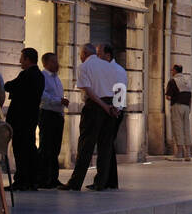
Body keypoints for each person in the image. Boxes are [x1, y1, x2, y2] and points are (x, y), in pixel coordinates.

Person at [61, 44, 115, 191]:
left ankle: (75, 182)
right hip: (110, 105)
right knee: (105, 146)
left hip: (94, 107)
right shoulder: (108, 66)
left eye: (80, 53)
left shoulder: (84, 67)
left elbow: (89, 91)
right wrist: (113, 106)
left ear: (84, 53)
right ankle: (101, 183)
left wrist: (103, 106)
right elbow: (116, 87)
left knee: (85, 146)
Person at [3, 48, 45, 190]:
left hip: (21, 119)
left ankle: (22, 180)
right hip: (31, 118)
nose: (20, 61)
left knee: (21, 149)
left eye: (22, 58)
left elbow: (9, 86)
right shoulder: (39, 75)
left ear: (27, 59)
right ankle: (32, 179)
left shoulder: (26, 74)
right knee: (29, 148)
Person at [92, 44, 128, 190]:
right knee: (107, 147)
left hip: (113, 111)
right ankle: (109, 180)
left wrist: (116, 109)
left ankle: (105, 180)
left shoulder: (116, 70)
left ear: (107, 55)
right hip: (109, 110)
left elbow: (120, 89)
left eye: (99, 54)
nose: (96, 57)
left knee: (106, 146)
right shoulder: (107, 69)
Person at [38, 53, 68, 186]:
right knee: (46, 147)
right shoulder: (43, 77)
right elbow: (43, 96)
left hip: (57, 115)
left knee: (55, 148)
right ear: (45, 63)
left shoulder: (57, 79)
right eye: (53, 62)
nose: (57, 64)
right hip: (47, 114)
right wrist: (58, 101)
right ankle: (44, 178)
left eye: (57, 61)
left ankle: (53, 178)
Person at [165, 64, 192, 161]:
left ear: (175, 71)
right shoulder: (187, 80)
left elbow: (168, 96)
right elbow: (190, 96)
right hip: (187, 107)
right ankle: (188, 153)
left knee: (178, 128)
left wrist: (170, 97)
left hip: (177, 106)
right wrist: (189, 107)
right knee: (186, 128)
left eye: (172, 70)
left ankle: (179, 152)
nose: (171, 72)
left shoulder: (173, 81)